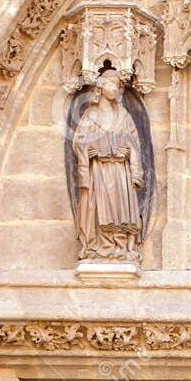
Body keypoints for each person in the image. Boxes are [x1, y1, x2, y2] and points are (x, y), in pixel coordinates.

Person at [71, 69, 144, 261]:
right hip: (99, 170)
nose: (116, 88)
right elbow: (79, 140)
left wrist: (129, 153)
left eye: (118, 85)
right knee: (100, 207)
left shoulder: (124, 115)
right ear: (101, 86)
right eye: (112, 84)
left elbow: (134, 142)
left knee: (121, 208)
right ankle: (100, 245)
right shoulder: (91, 114)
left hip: (120, 170)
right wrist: (90, 149)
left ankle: (121, 246)